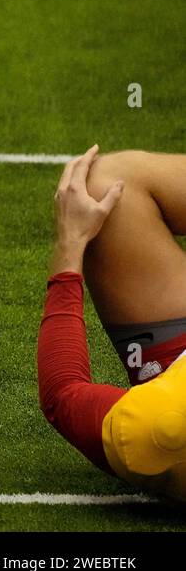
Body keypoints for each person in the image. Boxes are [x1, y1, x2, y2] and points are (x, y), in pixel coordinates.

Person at [37, 145, 186, 500]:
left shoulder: (158, 429)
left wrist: (71, 242)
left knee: (107, 188)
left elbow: (64, 394)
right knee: (109, 187)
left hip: (170, 395)